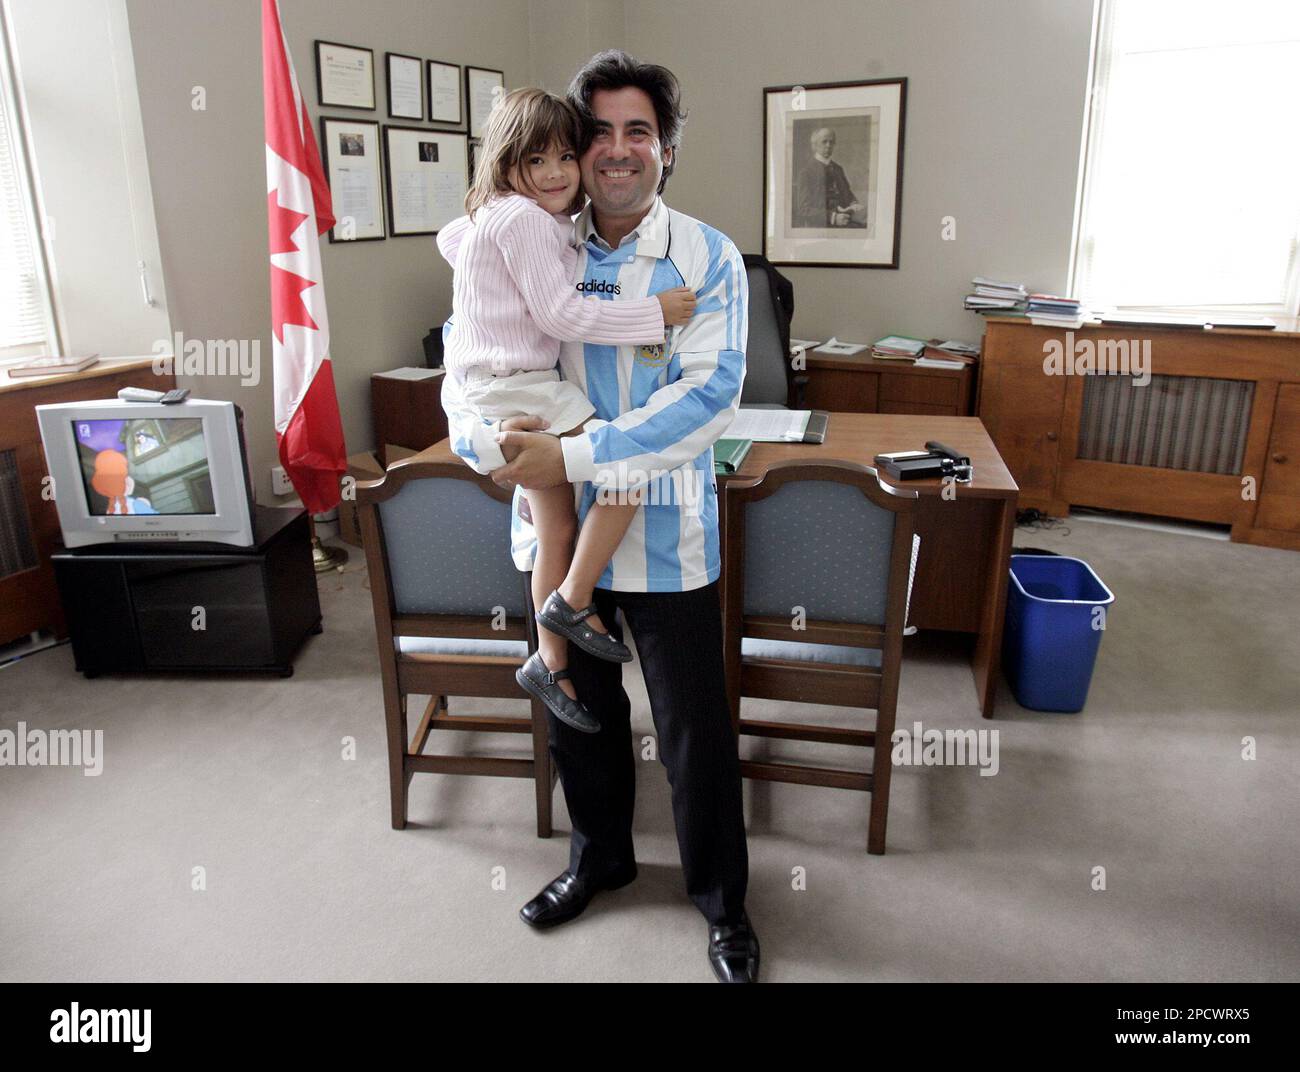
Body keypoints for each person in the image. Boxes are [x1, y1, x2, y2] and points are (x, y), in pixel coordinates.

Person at [441, 50, 760, 983]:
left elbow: (709, 399)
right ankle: (599, 858)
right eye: (601, 134)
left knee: (695, 735)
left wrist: (571, 455)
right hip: (554, 537)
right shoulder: (532, 234)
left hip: (665, 538)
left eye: (640, 133)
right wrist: (482, 447)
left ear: (666, 148)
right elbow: (469, 362)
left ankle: (722, 903)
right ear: (574, 152)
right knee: (575, 717)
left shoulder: (707, 258)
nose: (618, 152)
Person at [436, 87, 697, 735]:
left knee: (556, 525)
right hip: (521, 388)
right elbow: (558, 314)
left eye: (563, 157)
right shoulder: (523, 220)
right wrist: (652, 316)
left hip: (499, 386)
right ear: (504, 163)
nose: (553, 173)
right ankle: (571, 605)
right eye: (534, 161)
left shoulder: (495, 219)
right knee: (628, 464)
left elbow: (452, 237)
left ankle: (548, 661)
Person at [794, 126, 865, 228]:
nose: (828, 145)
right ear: (815, 145)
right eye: (824, 142)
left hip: (844, 220)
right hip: (820, 227)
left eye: (831, 142)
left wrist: (854, 204)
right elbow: (803, 209)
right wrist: (833, 217)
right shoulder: (806, 172)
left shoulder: (838, 169)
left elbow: (848, 195)